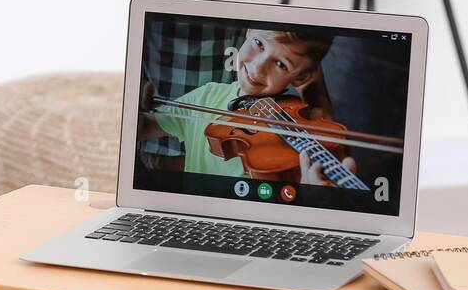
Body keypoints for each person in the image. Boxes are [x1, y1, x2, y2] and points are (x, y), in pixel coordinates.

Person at [138, 27, 354, 186]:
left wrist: (310, 190)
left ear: (302, 78)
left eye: (281, 64)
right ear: (249, 32)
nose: (258, 68)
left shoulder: (301, 128)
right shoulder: (207, 95)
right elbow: (145, 126)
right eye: (259, 44)